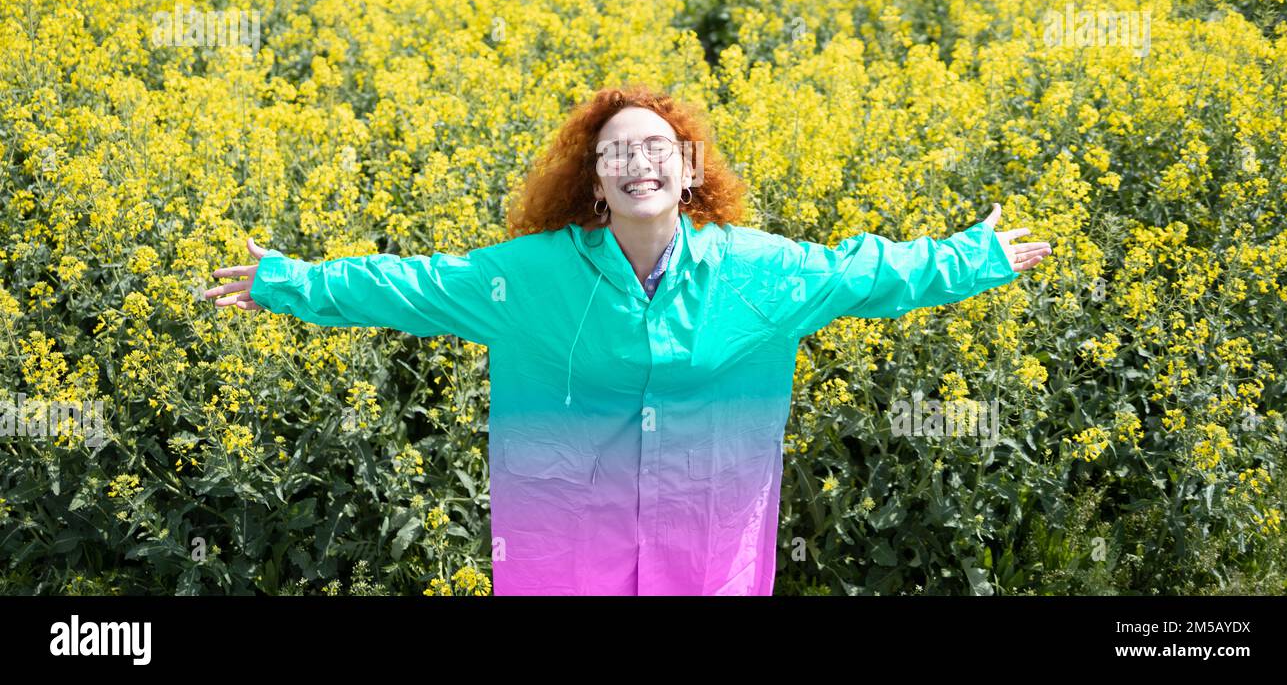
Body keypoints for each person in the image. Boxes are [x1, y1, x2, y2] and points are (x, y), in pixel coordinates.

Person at [205, 84, 1051, 594]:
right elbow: (415, 284)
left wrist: (971, 257)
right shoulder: (532, 277)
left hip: (705, 549)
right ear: (596, 183)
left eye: (657, 148)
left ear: (689, 170)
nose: (639, 162)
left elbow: (865, 273)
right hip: (567, 550)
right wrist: (290, 281)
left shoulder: (757, 272)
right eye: (617, 153)